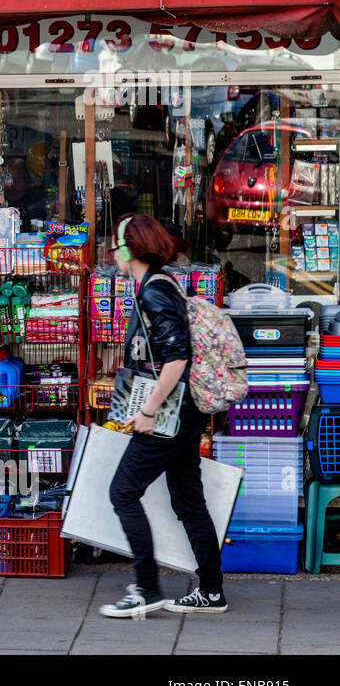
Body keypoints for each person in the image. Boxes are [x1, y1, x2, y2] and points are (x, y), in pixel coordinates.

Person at [100, 214, 227, 618]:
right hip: (185, 412)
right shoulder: (161, 283)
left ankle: (148, 587)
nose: (112, 253)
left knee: (122, 491)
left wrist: (148, 411)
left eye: (116, 244)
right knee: (188, 499)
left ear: (129, 249)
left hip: (171, 413)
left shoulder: (154, 290)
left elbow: (176, 360)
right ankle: (211, 591)